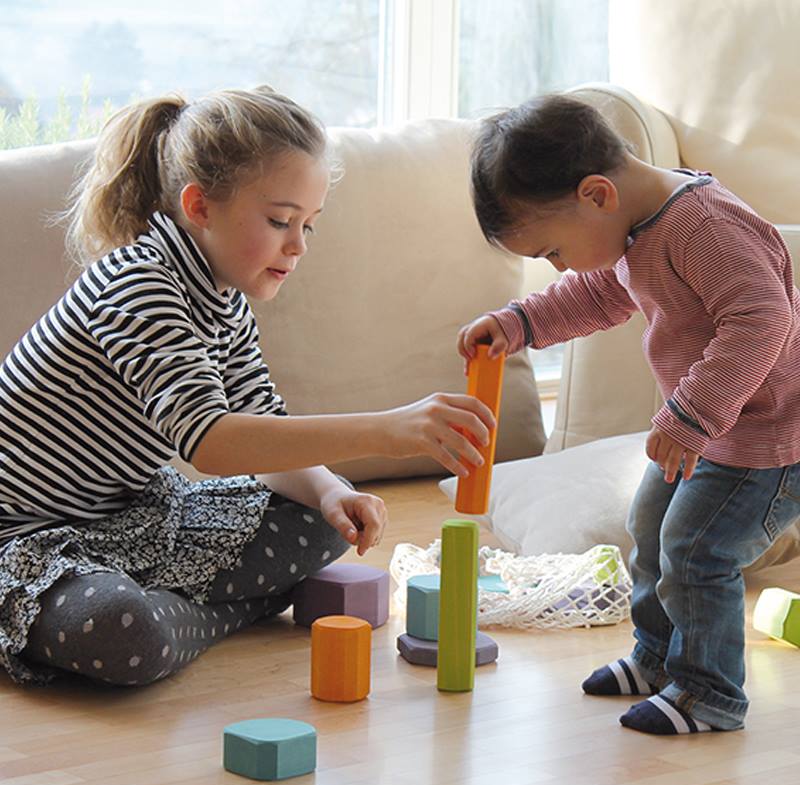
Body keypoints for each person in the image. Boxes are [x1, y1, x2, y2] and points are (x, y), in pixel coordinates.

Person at [0, 86, 494, 687]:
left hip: (128, 519)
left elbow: (265, 430)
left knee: (323, 515)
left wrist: (327, 490)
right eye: (281, 221)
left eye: (308, 225)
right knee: (123, 630)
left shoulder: (223, 299)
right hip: (22, 537)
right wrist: (389, 430)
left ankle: (171, 615)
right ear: (200, 206)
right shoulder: (138, 285)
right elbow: (214, 443)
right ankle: (193, 616)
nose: (298, 245)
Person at [458, 94, 800, 735]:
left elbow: (762, 320)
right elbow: (598, 293)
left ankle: (710, 693)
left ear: (596, 195)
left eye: (553, 251)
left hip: (766, 435)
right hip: (707, 429)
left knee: (697, 550)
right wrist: (520, 323)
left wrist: (692, 414)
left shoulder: (703, 226)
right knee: (650, 526)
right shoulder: (637, 226)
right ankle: (658, 658)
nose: (559, 266)